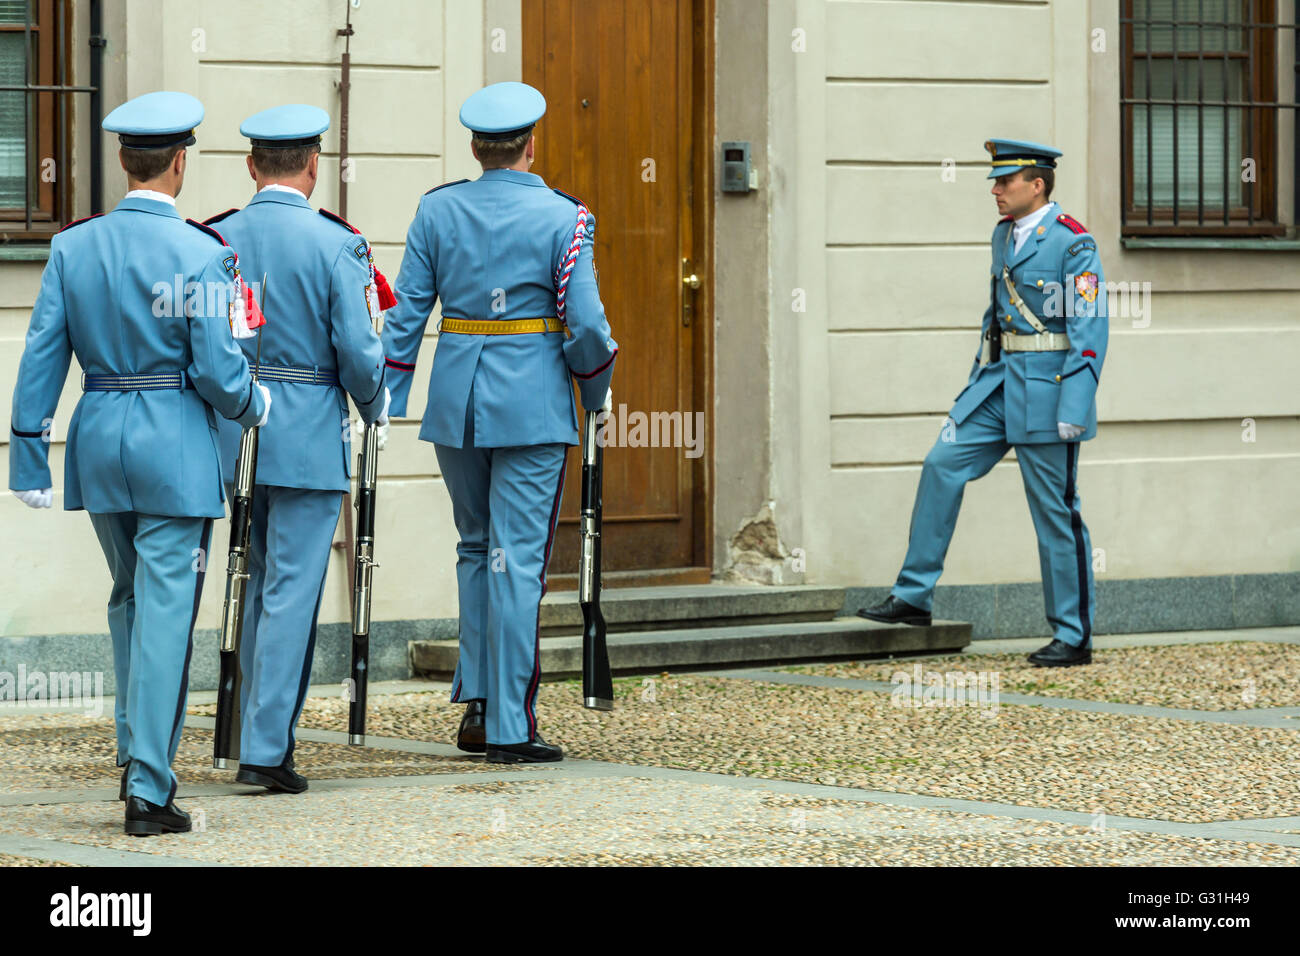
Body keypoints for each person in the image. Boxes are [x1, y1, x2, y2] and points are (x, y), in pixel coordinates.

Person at [7, 91, 270, 834]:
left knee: (128, 595)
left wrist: (29, 451)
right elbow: (220, 373)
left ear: (126, 161)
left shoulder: (73, 246)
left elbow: (43, 355)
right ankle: (149, 789)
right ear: (180, 162)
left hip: (100, 434)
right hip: (172, 442)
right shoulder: (202, 252)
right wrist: (256, 407)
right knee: (164, 610)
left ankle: (134, 749)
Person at [381, 82, 617, 762]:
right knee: (516, 561)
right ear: (531, 144)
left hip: (457, 402)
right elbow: (588, 324)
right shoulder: (564, 217)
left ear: (477, 148)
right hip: (531, 405)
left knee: (477, 550)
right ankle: (512, 725)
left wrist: (387, 398)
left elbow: (407, 318)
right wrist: (594, 389)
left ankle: (480, 705)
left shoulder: (437, 209)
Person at [858, 138, 1107, 668]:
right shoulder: (1003, 236)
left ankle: (1072, 634)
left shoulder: (1074, 244)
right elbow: (995, 314)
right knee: (941, 464)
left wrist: (1075, 407)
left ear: (1037, 184)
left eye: (1006, 180)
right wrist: (975, 382)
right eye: (996, 180)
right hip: (997, 386)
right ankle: (913, 596)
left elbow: (1090, 331)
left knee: (1054, 514)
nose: (996, 189)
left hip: (1049, 390)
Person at [204, 104, 390, 793]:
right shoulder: (336, 244)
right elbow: (358, 350)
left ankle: (250, 730)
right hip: (310, 428)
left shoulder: (218, 238)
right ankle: (265, 747)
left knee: (247, 584)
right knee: (289, 591)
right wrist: (373, 407)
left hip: (239, 430)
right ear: (314, 166)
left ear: (252, 166)